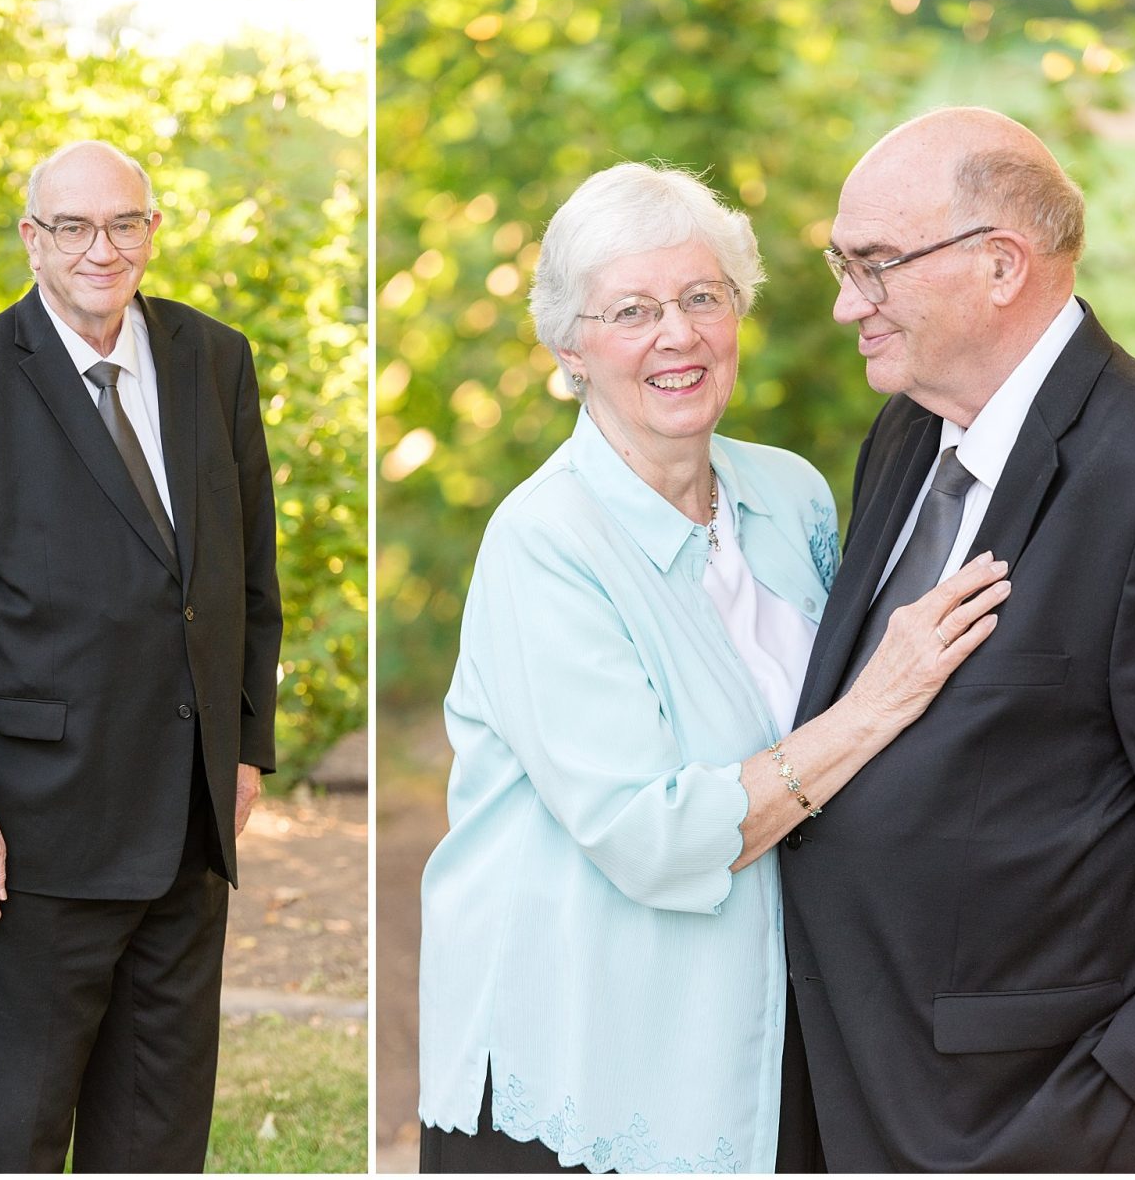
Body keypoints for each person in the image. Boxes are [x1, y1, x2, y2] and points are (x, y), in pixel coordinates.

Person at [417, 162, 1011, 1174]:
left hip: (767, 1036)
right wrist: (877, 704)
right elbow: (649, 834)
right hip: (585, 1059)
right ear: (569, 346)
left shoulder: (790, 497)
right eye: (632, 311)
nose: (677, 335)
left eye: (703, 297)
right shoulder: (545, 541)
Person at [779, 107, 1135, 1172]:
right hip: (844, 1088)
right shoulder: (904, 429)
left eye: (873, 266)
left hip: (1033, 1120)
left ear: (1001, 265)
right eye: (839, 264)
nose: (844, 302)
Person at [0, 140, 282, 1173]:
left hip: (187, 826)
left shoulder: (215, 357)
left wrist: (244, 748)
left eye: (125, 223)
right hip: (33, 836)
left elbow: (249, 578)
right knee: (17, 1128)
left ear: (153, 230)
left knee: (157, 1134)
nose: (102, 248)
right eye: (74, 226)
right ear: (33, 238)